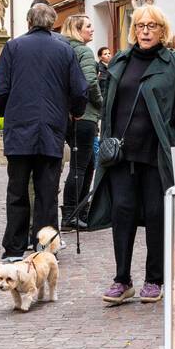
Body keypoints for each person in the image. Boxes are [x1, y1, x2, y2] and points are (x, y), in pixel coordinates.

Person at [88, 5, 175, 304]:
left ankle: (154, 278)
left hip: (156, 153)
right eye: (141, 25)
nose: (145, 31)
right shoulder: (120, 60)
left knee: (157, 215)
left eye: (152, 26)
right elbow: (108, 106)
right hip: (122, 155)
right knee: (122, 214)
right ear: (134, 30)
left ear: (162, 30)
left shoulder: (173, 63)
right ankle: (122, 279)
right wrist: (105, 140)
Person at [0, 1, 88, 258]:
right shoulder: (64, 49)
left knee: (17, 191)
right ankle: (45, 246)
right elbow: (80, 89)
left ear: (29, 22)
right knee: (47, 192)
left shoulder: (13, 47)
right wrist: (76, 111)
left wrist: (5, 111)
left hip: (19, 129)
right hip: (51, 129)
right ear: (52, 23)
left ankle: (13, 248)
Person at [60, 15, 103, 230]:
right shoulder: (83, 51)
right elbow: (89, 82)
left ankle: (78, 211)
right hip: (83, 114)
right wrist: (100, 103)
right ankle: (72, 213)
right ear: (77, 29)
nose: (92, 30)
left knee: (85, 163)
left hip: (66, 115)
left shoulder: (61, 49)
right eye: (88, 26)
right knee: (81, 165)